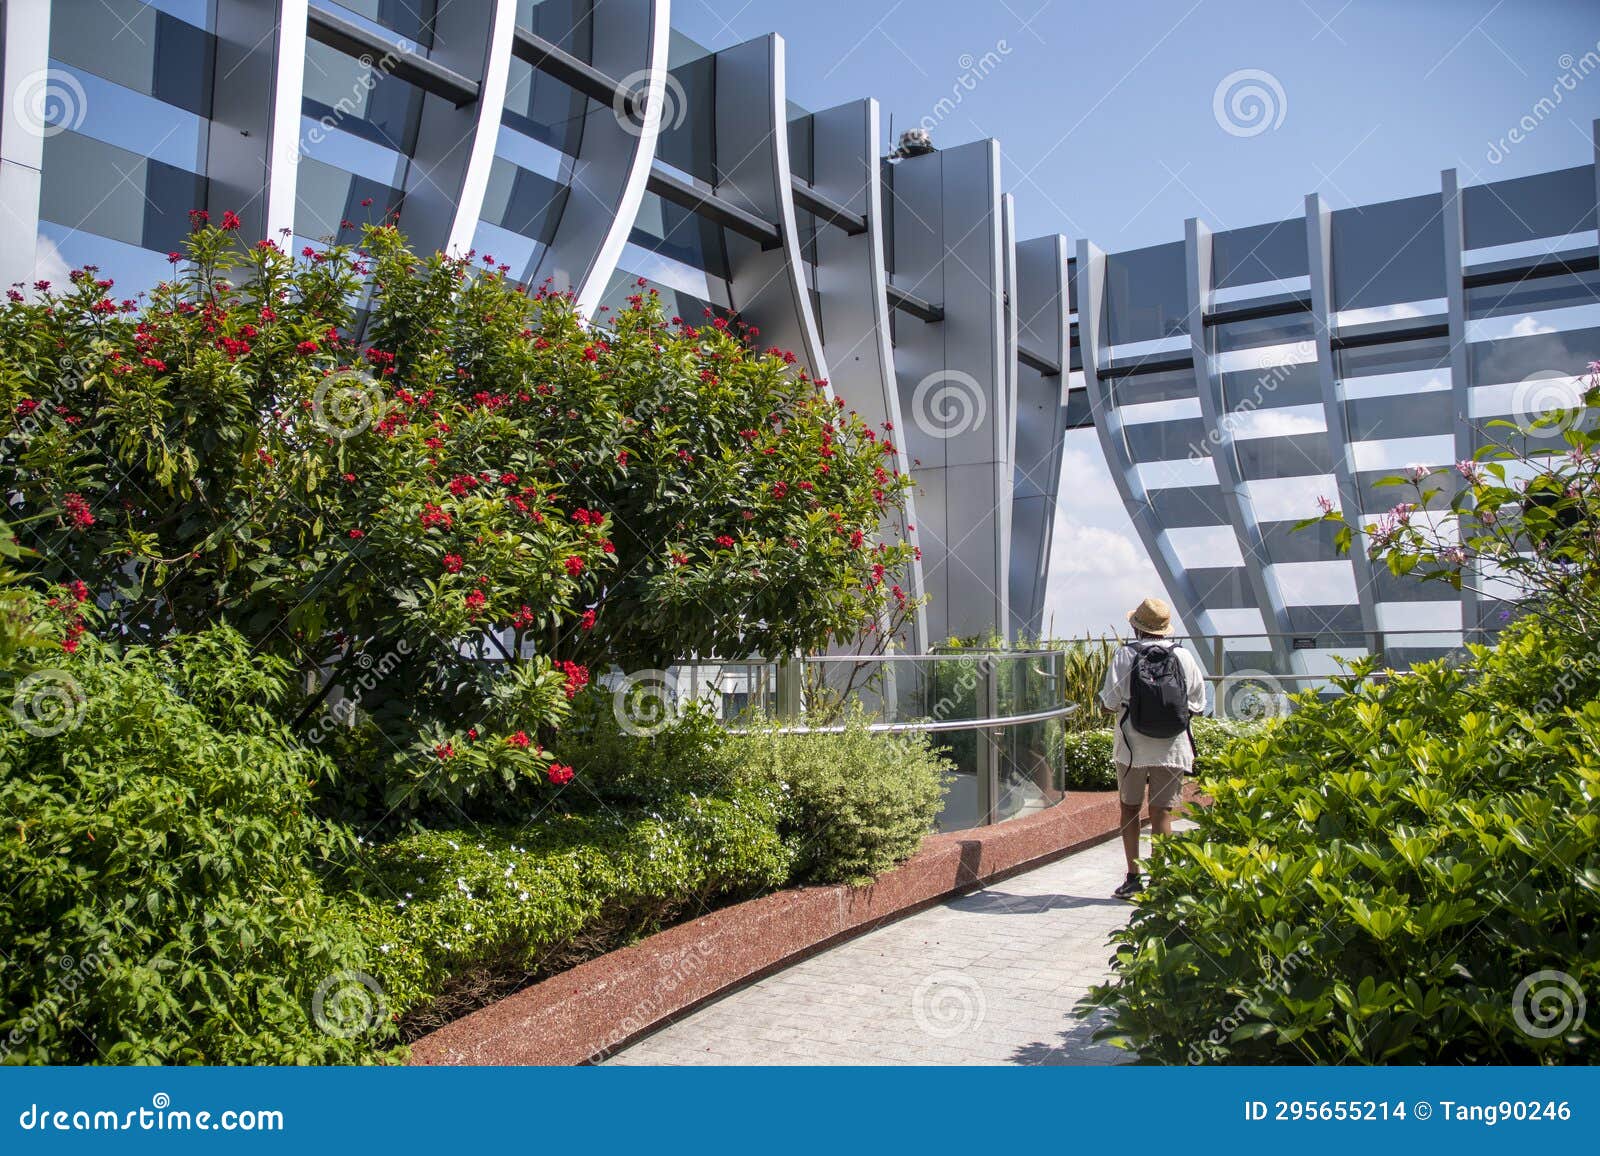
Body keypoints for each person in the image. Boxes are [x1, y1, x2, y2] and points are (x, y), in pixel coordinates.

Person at [1098, 597, 1206, 900]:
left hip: (1131, 746)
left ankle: (1133, 878)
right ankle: (1160, 881)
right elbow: (1198, 703)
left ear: (1136, 628)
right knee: (1162, 813)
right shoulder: (1183, 656)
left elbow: (1109, 701)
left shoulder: (1124, 655)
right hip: (1172, 746)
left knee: (1129, 809)